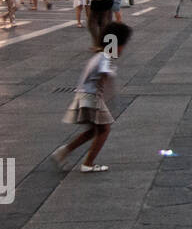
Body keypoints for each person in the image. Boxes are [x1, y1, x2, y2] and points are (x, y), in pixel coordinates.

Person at [52, 22, 132, 173]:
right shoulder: (104, 59)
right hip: (92, 97)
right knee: (104, 130)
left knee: (93, 130)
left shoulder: (99, 56)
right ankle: (88, 163)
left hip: (84, 95)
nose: (123, 50)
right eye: (122, 45)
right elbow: (104, 76)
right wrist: (109, 98)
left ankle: (63, 152)